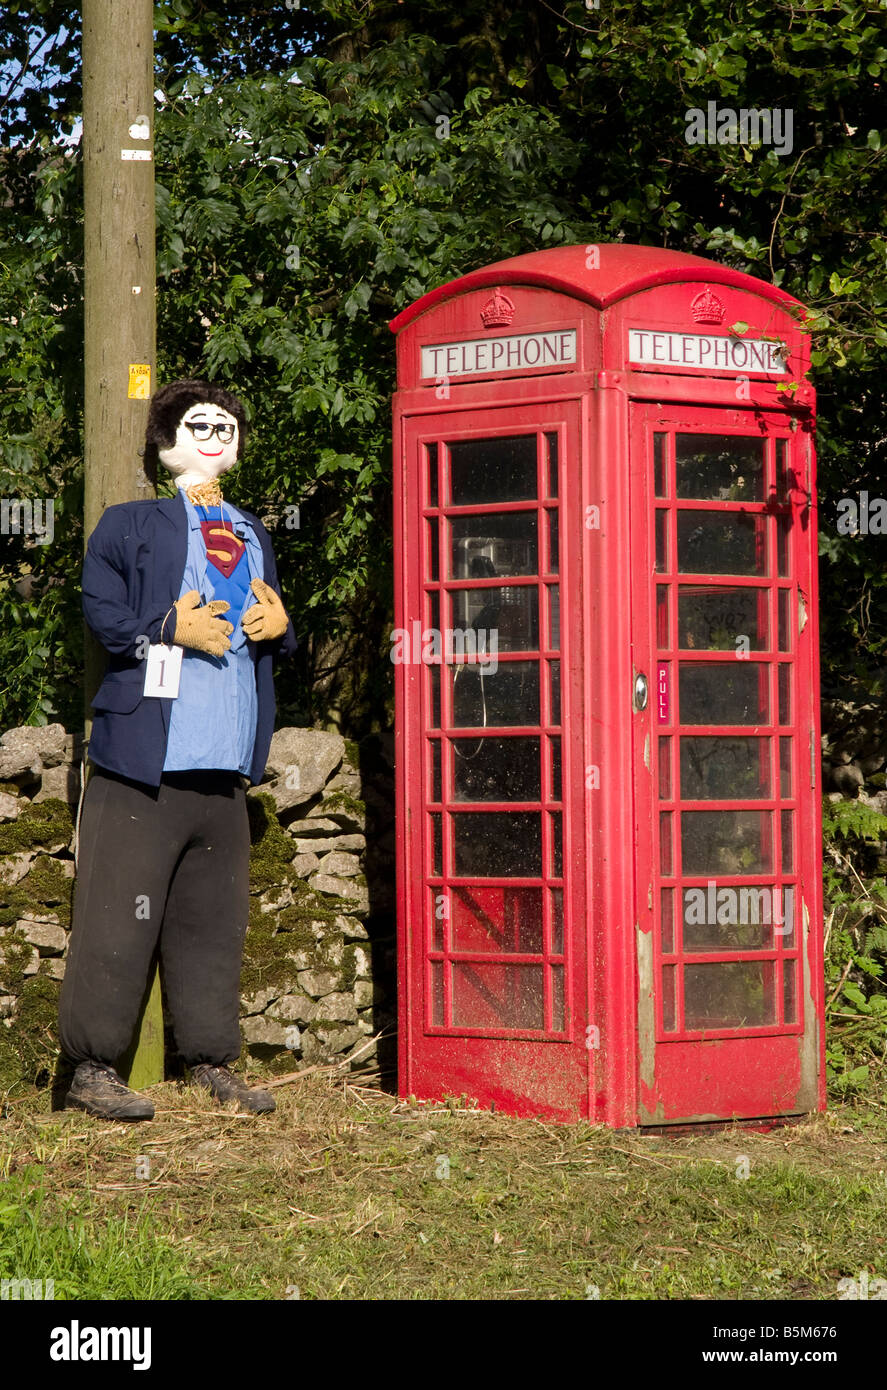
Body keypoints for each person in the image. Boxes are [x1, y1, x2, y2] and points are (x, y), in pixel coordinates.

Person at [58, 379, 297, 1121]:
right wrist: (166, 627)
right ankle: (90, 1069)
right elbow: (100, 611)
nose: (215, 435)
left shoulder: (254, 531)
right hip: (145, 762)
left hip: (224, 764)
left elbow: (271, 636)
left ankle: (211, 1059)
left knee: (212, 921)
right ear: (167, 441)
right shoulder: (130, 523)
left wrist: (283, 629)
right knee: (115, 921)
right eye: (200, 424)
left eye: (227, 425)